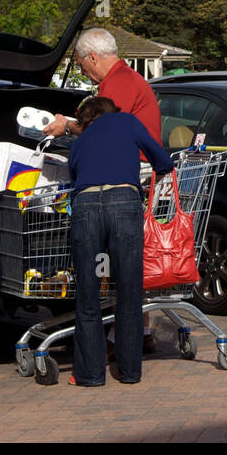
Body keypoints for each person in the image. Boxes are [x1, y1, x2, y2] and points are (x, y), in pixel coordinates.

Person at [44, 27, 163, 353]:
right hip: (132, 175)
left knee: (115, 258)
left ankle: (120, 337)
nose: (85, 73)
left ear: (93, 57)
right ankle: (139, 331)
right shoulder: (125, 79)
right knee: (123, 259)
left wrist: (65, 125)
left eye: (83, 66)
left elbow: (101, 126)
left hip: (125, 180)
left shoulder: (116, 84)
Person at [66, 96, 173, 386]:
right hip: (124, 203)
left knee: (88, 296)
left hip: (86, 207)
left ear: (86, 119)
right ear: (112, 111)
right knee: (128, 291)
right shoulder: (127, 121)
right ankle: (129, 372)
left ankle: (89, 375)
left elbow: (74, 177)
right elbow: (162, 161)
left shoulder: (79, 142)